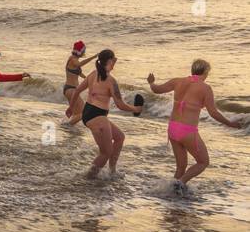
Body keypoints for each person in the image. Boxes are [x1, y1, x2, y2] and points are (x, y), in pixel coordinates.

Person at [148, 59, 243, 192]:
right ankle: (180, 183)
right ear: (205, 72)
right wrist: (230, 123)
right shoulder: (205, 88)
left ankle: (170, 192)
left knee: (181, 167)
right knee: (203, 162)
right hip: (187, 131)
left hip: (173, 128)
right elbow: (213, 112)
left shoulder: (177, 81)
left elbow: (156, 90)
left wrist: (151, 82)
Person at [66, 49, 142, 178]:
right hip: (97, 116)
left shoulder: (93, 74)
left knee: (119, 137)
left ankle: (112, 171)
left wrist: (70, 108)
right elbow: (120, 105)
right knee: (105, 153)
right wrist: (136, 109)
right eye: (114, 60)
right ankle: (88, 178)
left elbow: (77, 90)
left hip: (88, 113)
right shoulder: (110, 81)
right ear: (110, 61)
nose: (115, 62)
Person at [63, 40, 91, 124]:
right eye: (84, 50)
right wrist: (93, 57)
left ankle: (68, 127)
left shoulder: (74, 60)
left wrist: (89, 80)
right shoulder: (72, 59)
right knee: (83, 113)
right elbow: (79, 65)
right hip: (71, 90)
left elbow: (79, 73)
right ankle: (67, 126)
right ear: (80, 51)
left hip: (70, 90)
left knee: (76, 113)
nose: (84, 52)